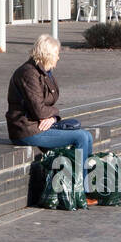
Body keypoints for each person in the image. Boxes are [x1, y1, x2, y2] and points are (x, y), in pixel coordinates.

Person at [5, 34, 96, 206]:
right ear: (47, 54)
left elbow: (47, 105)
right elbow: (39, 110)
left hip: (39, 125)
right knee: (81, 137)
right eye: (56, 53)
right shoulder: (28, 73)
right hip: (26, 129)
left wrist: (53, 116)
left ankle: (84, 187)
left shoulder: (44, 72)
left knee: (87, 136)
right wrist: (49, 115)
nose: (59, 57)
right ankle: (80, 191)